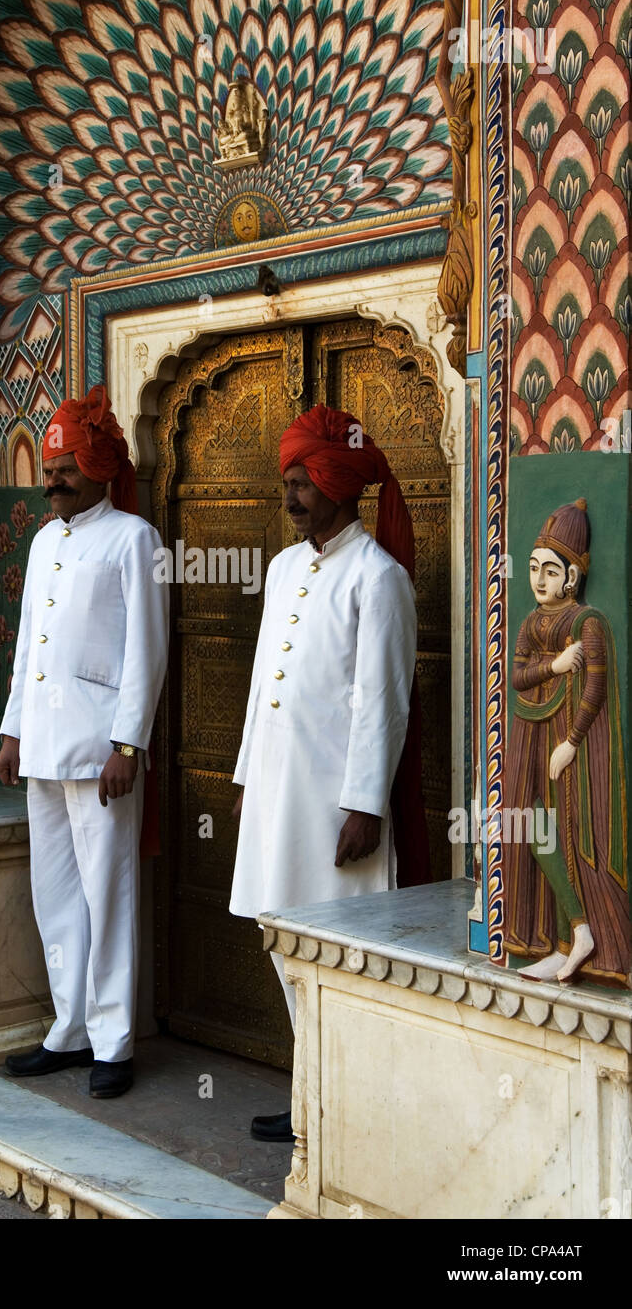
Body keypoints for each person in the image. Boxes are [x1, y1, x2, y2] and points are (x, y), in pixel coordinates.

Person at [230, 405, 430, 1142]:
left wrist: (362, 805)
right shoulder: (284, 568)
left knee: (339, 951)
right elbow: (262, 685)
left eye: (300, 484)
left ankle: (345, 1102)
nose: (289, 499)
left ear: (337, 485)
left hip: (334, 803)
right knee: (283, 939)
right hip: (276, 794)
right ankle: (312, 1090)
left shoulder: (376, 579)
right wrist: (249, 775)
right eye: (286, 483)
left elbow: (384, 703)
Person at [0, 385, 169, 1098]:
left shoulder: (135, 538)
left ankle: (114, 1041)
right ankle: (66, 1029)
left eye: (65, 467)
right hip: (40, 744)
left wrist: (127, 745)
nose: (52, 479)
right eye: (49, 467)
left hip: (102, 753)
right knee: (56, 893)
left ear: (100, 468)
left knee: (108, 890)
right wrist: (12, 728)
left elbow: (146, 651)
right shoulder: (42, 543)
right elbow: (26, 647)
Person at [503, 499, 629, 985]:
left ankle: (578, 937)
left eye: (551, 571)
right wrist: (553, 666)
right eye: (534, 569)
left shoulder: (587, 622)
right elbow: (516, 677)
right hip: (536, 734)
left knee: (566, 836)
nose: (540, 579)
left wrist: (573, 742)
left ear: (572, 576)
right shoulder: (533, 622)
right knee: (534, 824)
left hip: (569, 743)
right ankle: (572, 934)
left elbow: (596, 689)